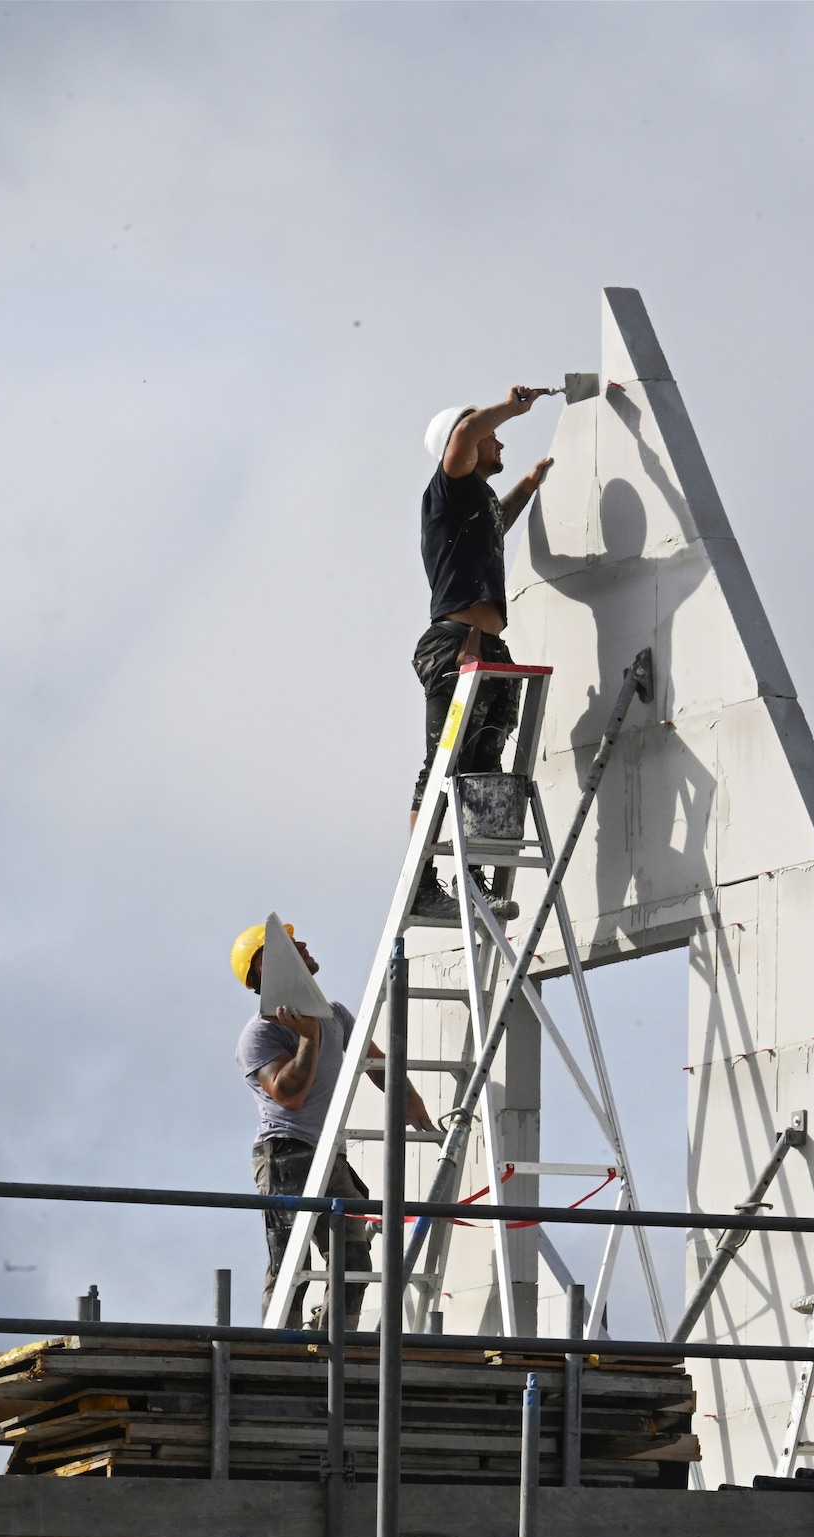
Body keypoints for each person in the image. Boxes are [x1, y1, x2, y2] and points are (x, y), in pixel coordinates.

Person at [229, 920, 431, 1325]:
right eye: (288, 946)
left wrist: (416, 1108)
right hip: (285, 1152)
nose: (301, 944)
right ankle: (278, 1351)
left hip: (329, 1154)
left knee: (353, 1261)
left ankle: (332, 1344)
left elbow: (377, 1067)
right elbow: (290, 1094)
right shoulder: (260, 1033)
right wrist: (306, 1037)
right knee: (291, 1261)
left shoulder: (334, 1015)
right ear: (266, 969)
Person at [410, 387, 556, 919]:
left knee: (485, 763)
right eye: (493, 437)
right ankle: (423, 882)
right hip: (454, 646)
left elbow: (499, 522)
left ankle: (474, 877)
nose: (500, 443)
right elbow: (467, 434)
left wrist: (530, 486)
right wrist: (511, 406)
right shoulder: (448, 489)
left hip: (488, 647)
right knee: (444, 763)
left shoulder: (478, 504)